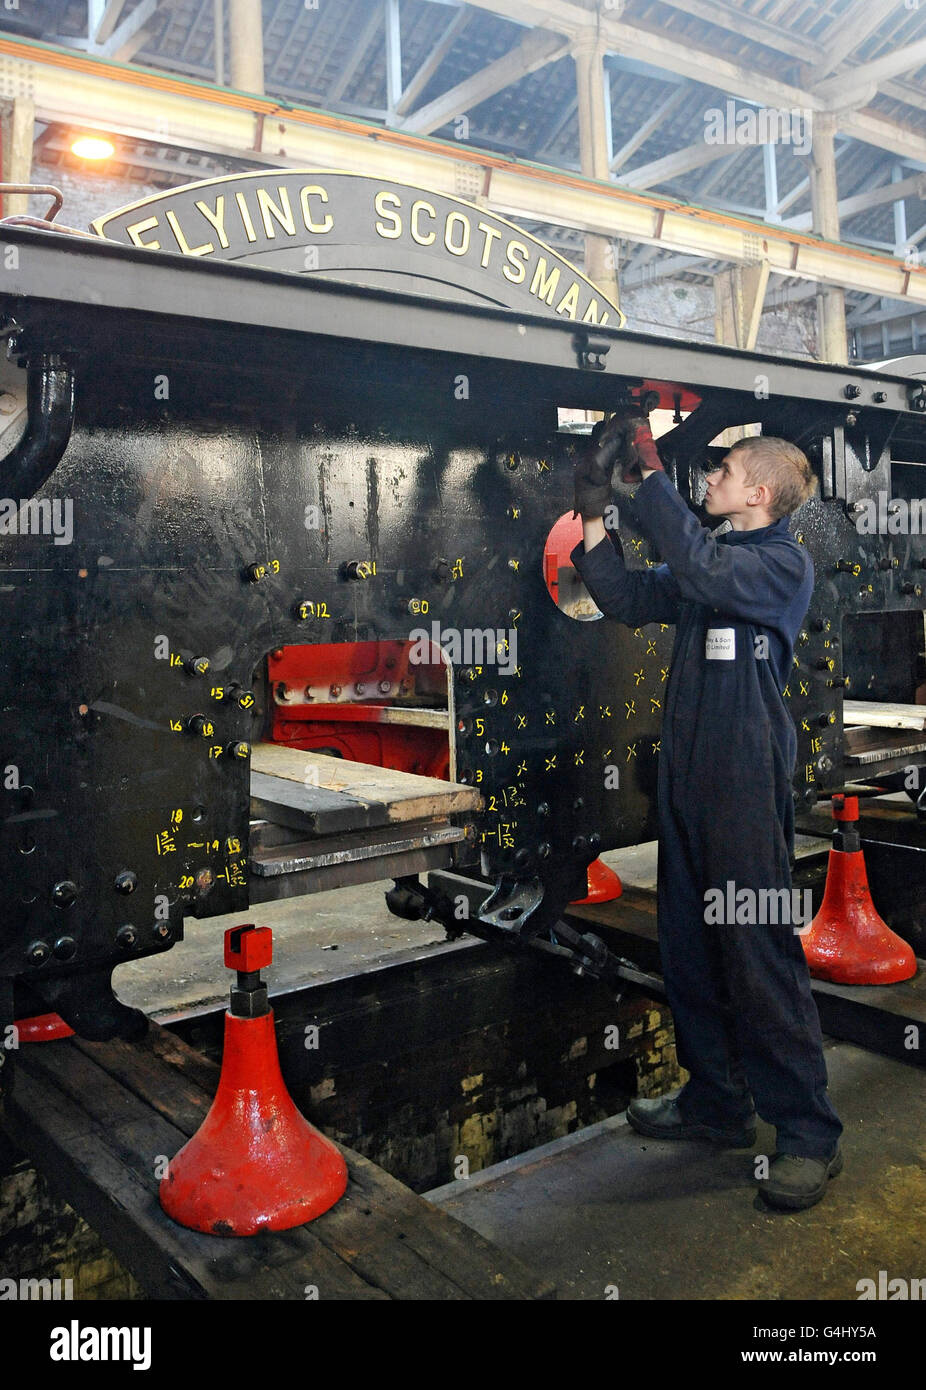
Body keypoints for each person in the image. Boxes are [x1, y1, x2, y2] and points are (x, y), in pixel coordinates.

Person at [570, 415, 843, 1212]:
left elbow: (689, 556)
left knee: (755, 950)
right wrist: (593, 513)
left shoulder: (781, 565)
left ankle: (808, 1134)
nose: (710, 477)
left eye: (722, 471)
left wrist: (649, 475)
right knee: (688, 944)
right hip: (689, 778)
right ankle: (718, 1105)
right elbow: (621, 593)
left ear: (758, 493)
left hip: (744, 780)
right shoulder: (709, 568)